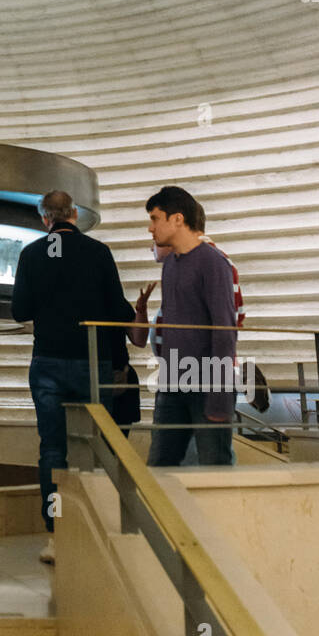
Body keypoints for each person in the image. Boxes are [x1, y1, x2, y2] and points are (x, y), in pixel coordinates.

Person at [12, 190, 134, 564]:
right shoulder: (98, 253)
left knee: (52, 449)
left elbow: (19, 310)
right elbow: (118, 310)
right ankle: (94, 526)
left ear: (44, 218)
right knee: (96, 447)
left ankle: (56, 533)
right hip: (91, 361)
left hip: (47, 360)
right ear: (75, 215)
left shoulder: (31, 254)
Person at [142, 186, 237, 467]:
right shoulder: (170, 264)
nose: (150, 228)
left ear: (177, 219)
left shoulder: (213, 263)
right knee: (159, 465)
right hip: (172, 382)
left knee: (214, 466)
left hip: (206, 382)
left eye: (155, 218)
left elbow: (224, 330)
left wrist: (219, 395)